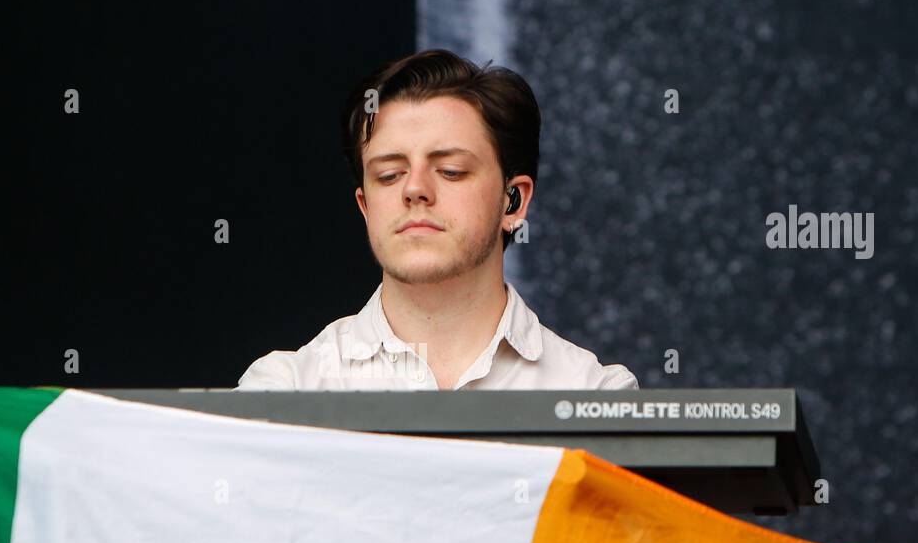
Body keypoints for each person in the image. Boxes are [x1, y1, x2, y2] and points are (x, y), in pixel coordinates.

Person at [236, 49, 637, 392]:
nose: (414, 189)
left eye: (450, 170)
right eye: (389, 175)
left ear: (512, 202)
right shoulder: (283, 388)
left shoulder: (597, 392)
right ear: (366, 206)